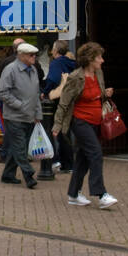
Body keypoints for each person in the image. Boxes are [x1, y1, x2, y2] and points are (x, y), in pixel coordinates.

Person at [53, 41, 117, 209]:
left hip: (96, 121)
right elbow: (64, 103)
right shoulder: (75, 77)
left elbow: (97, 95)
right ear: (90, 59)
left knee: (82, 159)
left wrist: (105, 93)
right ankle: (101, 194)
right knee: (96, 154)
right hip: (80, 122)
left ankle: (73, 195)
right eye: (99, 57)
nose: (102, 60)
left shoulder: (99, 73)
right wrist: (57, 126)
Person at [0, 42, 43, 189]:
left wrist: (37, 113)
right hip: (14, 116)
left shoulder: (34, 70)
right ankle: (28, 175)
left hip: (28, 116)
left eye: (34, 55)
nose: (34, 57)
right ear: (21, 55)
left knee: (16, 147)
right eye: (31, 55)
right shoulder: (10, 70)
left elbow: (35, 94)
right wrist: (19, 105)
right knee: (20, 147)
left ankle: (8, 175)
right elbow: (2, 92)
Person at [40, 40, 77, 179]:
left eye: (53, 49)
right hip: (72, 99)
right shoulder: (72, 63)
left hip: (60, 99)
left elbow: (53, 79)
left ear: (55, 51)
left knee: (58, 129)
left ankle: (62, 162)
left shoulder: (56, 62)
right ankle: (68, 163)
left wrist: (45, 91)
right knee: (66, 129)